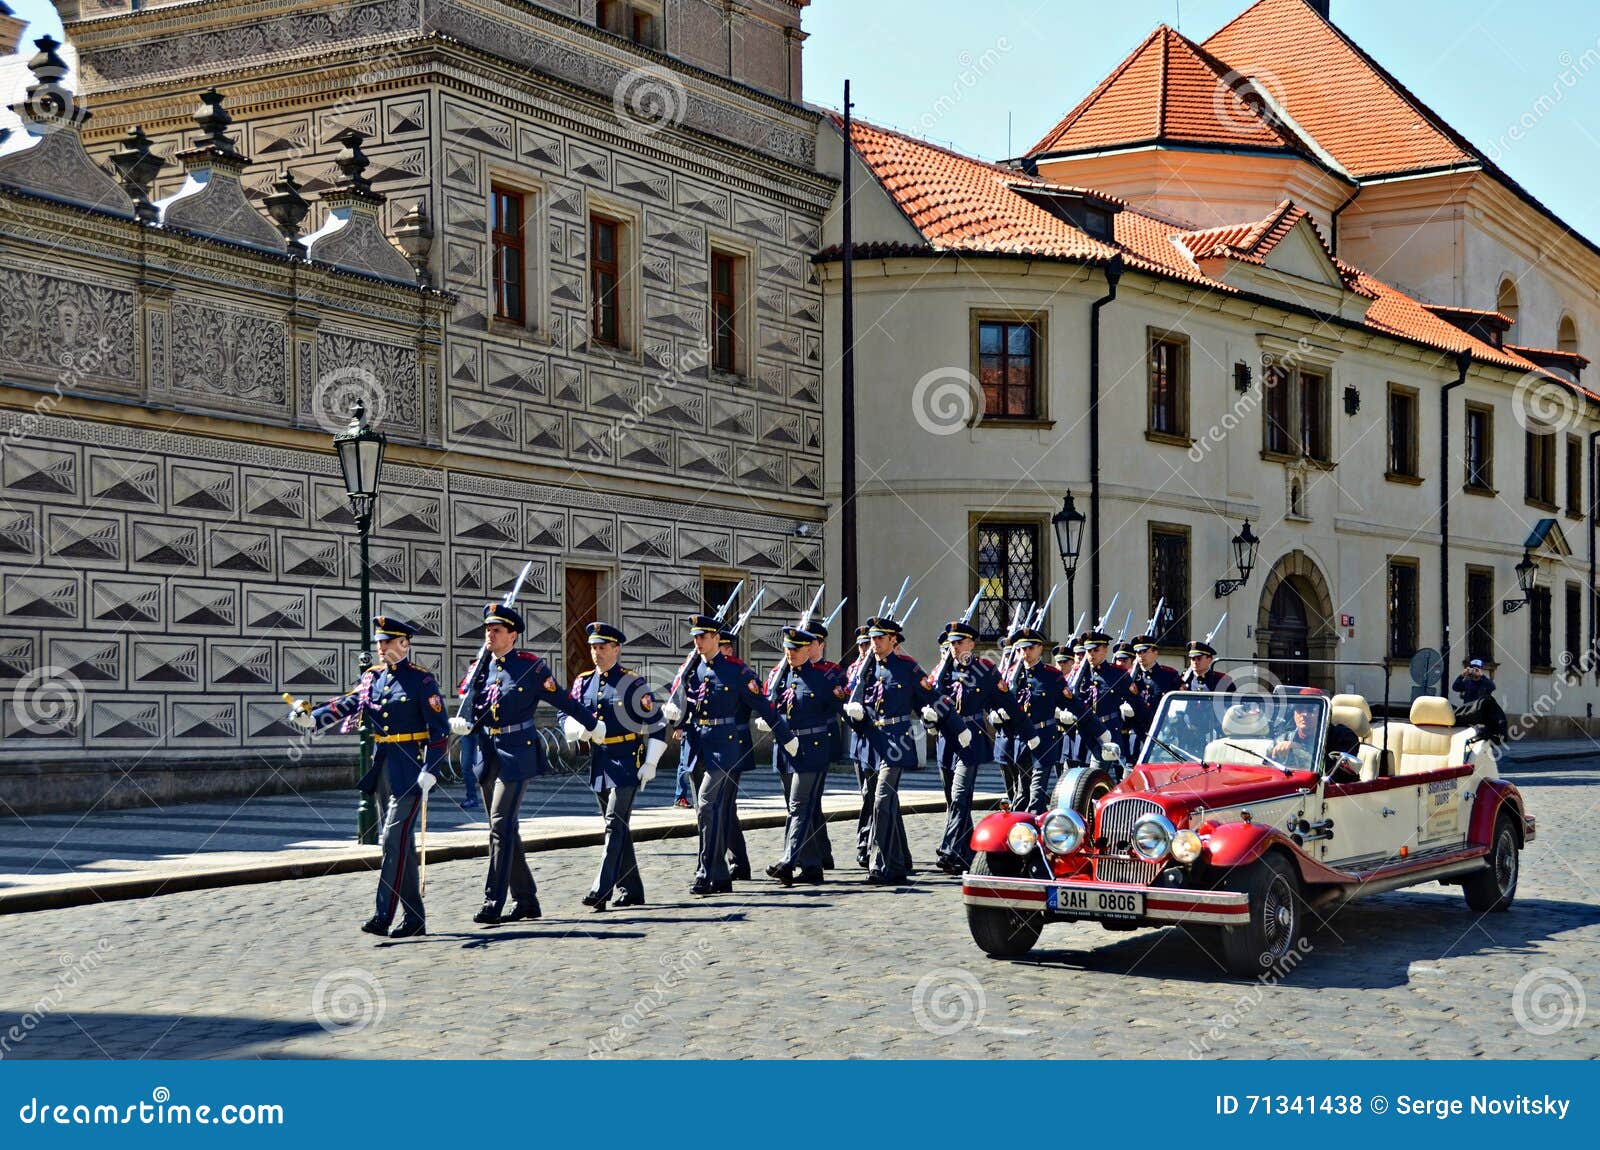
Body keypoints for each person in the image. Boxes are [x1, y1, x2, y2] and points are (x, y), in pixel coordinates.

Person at [292, 615, 447, 939]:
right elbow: (349, 703)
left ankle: (382, 915)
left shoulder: (422, 681)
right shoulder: (373, 678)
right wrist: (313, 718)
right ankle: (414, 919)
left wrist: (430, 770)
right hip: (383, 767)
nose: (381, 647)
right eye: (379, 642)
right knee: (399, 846)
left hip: (411, 770)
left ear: (404, 644)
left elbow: (439, 731)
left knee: (391, 840)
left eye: (387, 641)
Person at [454, 603, 601, 926]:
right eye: (487, 630)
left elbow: (562, 698)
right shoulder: (480, 666)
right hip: (487, 752)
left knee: (499, 824)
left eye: (496, 630)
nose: (489, 635)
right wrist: (462, 721)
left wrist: (592, 723)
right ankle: (527, 900)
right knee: (506, 830)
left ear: (513, 635)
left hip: (517, 753)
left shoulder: (530, 667)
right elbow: (467, 702)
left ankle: (493, 900)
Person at [663, 613, 795, 895]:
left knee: (707, 802)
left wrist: (785, 737)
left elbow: (764, 705)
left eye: (703, 637)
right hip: (698, 746)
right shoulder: (692, 669)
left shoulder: (737, 671)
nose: (697, 642)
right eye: (695, 637)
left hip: (726, 747)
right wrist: (677, 718)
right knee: (708, 811)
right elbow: (690, 705)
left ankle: (704, 871)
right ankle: (720, 876)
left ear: (715, 638)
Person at [568, 621, 668, 911]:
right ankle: (632, 888)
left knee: (613, 823)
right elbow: (568, 713)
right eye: (593, 648)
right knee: (617, 826)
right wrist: (577, 730)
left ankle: (601, 890)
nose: (596, 653)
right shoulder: (583, 681)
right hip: (599, 760)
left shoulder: (631, 682)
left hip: (626, 760)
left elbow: (658, 724)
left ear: (616, 649)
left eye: (602, 648)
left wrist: (651, 762)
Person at [842, 615, 936, 884]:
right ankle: (897, 864)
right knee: (878, 802)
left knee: (882, 802)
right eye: (872, 638)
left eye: (880, 638)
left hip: (895, 741)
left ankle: (879, 864)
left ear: (893, 640)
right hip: (870, 741)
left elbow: (929, 699)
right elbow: (849, 703)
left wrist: (933, 717)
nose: (874, 643)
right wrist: (853, 713)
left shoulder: (907, 668)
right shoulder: (865, 669)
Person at [763, 625, 843, 885]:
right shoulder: (779, 675)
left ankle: (789, 860)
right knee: (796, 807)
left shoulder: (824, 676)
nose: (791, 653)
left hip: (812, 748)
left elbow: (842, 703)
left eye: (796, 649)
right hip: (785, 748)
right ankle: (811, 867)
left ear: (809, 649)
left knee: (799, 805)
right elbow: (768, 702)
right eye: (788, 648)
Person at [930, 619, 1001, 875]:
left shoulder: (985, 669)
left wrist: (1001, 716)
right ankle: (967, 852)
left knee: (960, 797)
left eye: (960, 642)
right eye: (952, 644)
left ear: (971, 643)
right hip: (945, 741)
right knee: (954, 800)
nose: (955, 647)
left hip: (970, 739)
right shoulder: (941, 671)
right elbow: (928, 697)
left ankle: (948, 851)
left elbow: (1001, 699)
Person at [717, 627, 755, 881]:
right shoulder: (703, 671)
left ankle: (731, 862)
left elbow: (757, 701)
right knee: (716, 807)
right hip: (708, 746)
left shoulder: (740, 672)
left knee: (725, 806)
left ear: (728, 649)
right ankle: (735, 862)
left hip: (735, 743)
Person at [844, 624, 876, 868]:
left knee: (872, 794)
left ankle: (866, 843)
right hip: (858, 740)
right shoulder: (854, 669)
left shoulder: (878, 669)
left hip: (877, 739)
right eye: (862, 644)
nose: (865, 648)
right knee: (866, 793)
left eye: (868, 644)